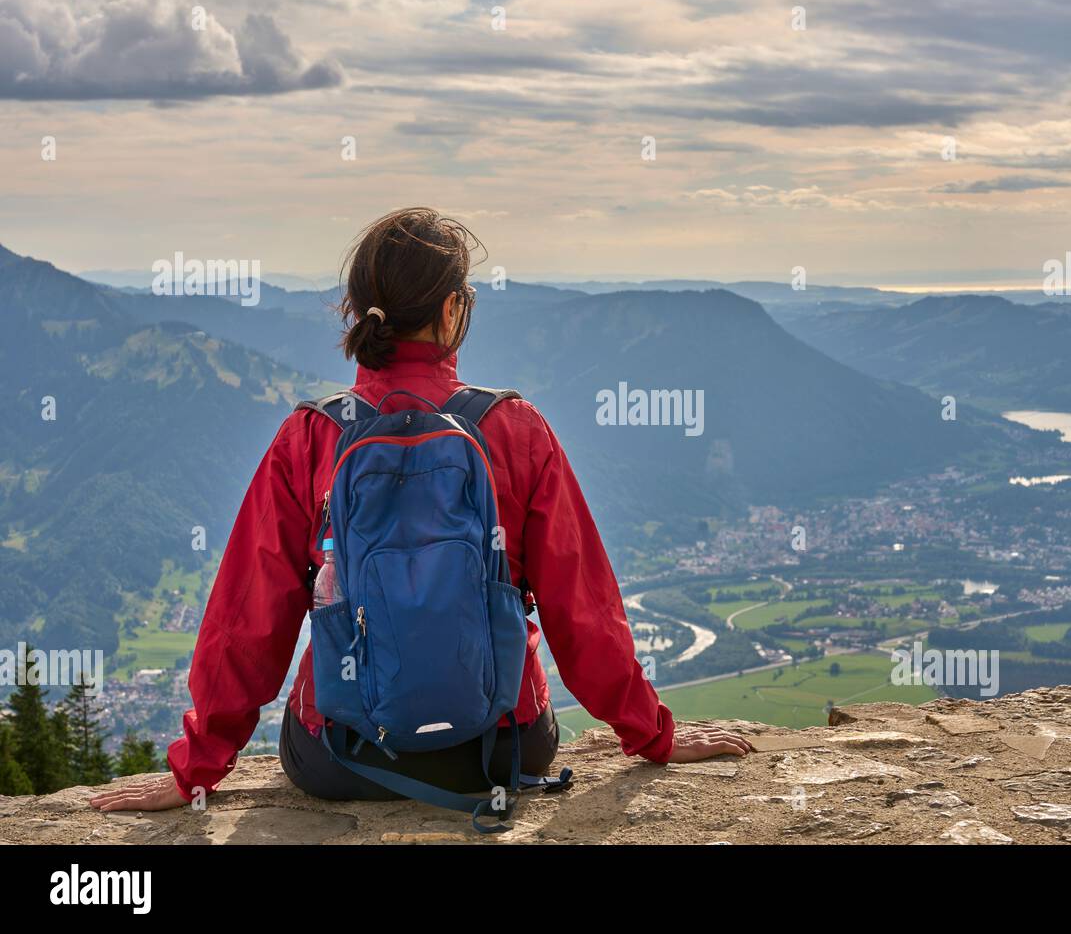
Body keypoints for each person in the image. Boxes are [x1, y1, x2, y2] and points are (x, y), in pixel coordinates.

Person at [90, 207, 752, 814]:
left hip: (342, 757)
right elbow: (583, 610)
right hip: (500, 749)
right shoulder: (516, 429)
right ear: (453, 308)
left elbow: (247, 620)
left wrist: (195, 769)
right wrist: (652, 734)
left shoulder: (312, 435)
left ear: (355, 311)